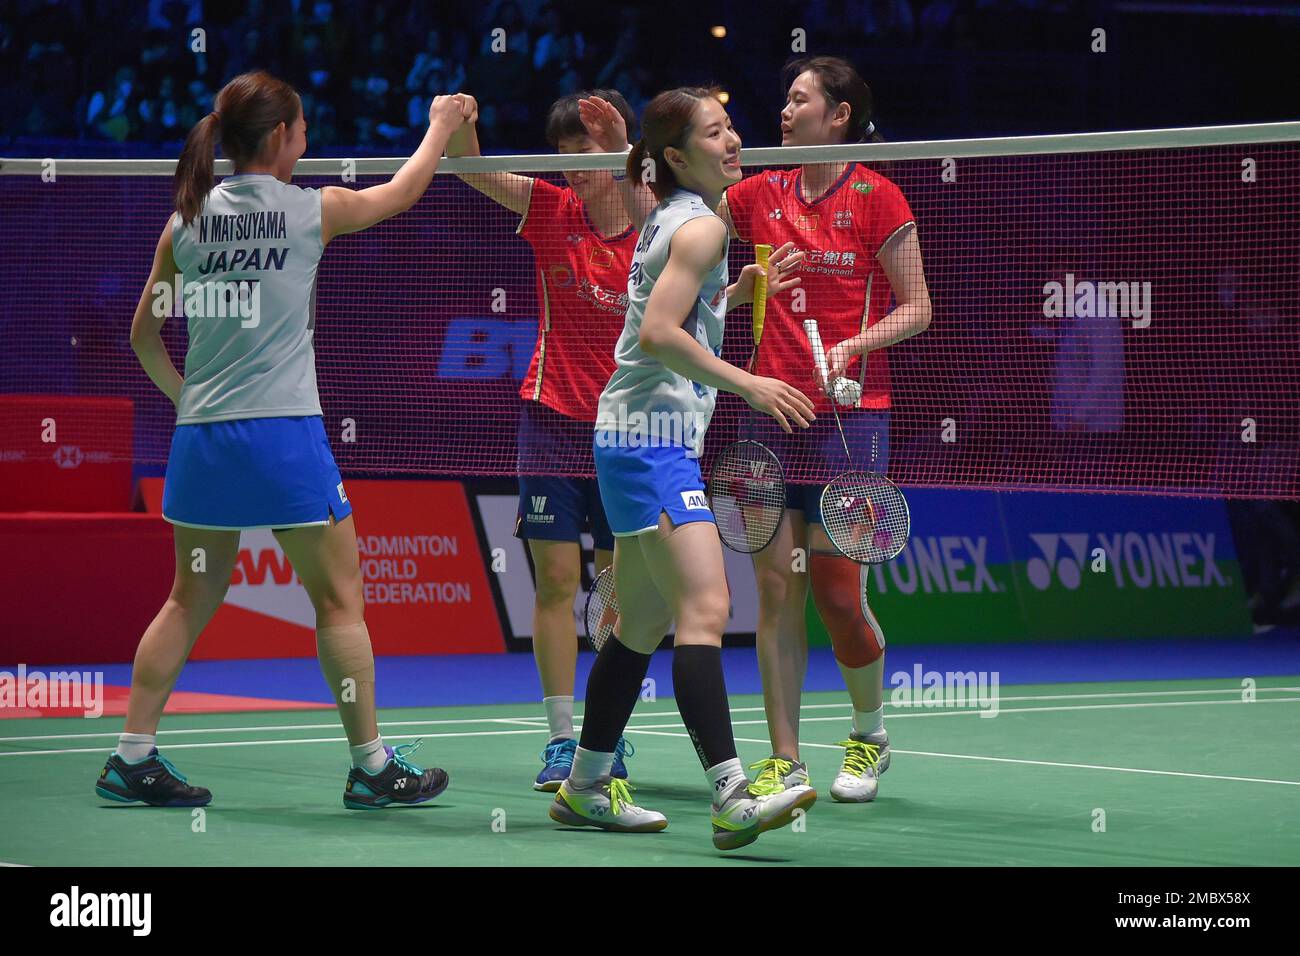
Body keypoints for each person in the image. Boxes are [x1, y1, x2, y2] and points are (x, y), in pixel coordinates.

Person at [98, 70, 469, 810]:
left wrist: (188, 401)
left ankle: (130, 756)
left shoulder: (187, 221)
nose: (307, 142)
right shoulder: (310, 211)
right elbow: (401, 193)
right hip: (283, 434)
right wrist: (440, 124)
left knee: (188, 597)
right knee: (338, 601)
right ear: (278, 138)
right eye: (302, 131)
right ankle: (370, 765)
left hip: (203, 441)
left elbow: (144, 335)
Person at [583, 55, 933, 803]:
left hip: (848, 413)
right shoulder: (749, 196)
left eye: (799, 99)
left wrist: (853, 343)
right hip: (762, 413)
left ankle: (868, 735)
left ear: (838, 115)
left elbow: (919, 307)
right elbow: (667, 222)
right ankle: (779, 760)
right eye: (777, 101)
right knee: (772, 589)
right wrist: (628, 151)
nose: (778, 112)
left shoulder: (878, 195)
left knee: (837, 593)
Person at [550, 86, 817, 851]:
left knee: (641, 623)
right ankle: (732, 794)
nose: (733, 139)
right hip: (652, 442)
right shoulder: (699, 224)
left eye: (731, 125)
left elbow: (664, 314)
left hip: (632, 434)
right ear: (676, 156)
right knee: (705, 608)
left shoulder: (677, 218)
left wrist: (732, 296)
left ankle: (585, 786)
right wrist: (751, 383)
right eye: (714, 132)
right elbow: (662, 333)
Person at [444, 89, 640, 791]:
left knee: (620, 587)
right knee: (557, 583)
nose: (573, 173)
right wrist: (465, 123)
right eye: (563, 160)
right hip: (551, 420)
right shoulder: (550, 209)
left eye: (585, 157)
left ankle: (608, 735)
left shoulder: (656, 221)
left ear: (618, 151)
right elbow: (466, 169)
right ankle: (562, 739)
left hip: (627, 430)